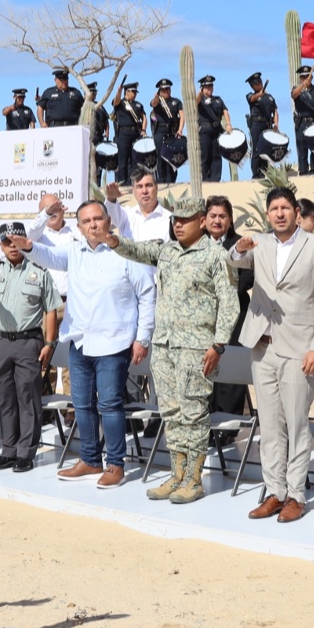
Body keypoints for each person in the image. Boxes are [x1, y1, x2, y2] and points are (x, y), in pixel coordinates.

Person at [106, 191, 240, 505]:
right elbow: (138, 250)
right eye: (175, 220)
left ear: (203, 222)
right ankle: (176, 474)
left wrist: (218, 344)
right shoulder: (167, 251)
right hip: (164, 347)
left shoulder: (215, 256)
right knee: (171, 412)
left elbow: (229, 303)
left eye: (185, 220)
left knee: (193, 413)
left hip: (196, 349)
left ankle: (194, 479)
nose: (178, 225)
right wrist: (114, 242)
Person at [12, 201, 155, 489]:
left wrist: (143, 338)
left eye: (98, 219)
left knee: (110, 404)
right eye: (87, 221)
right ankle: (90, 459)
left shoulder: (126, 252)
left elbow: (147, 295)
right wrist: (27, 246)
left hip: (114, 343)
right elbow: (44, 254)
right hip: (80, 341)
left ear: (108, 221)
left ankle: (115, 464)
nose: (93, 225)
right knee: (82, 404)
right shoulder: (74, 252)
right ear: (79, 227)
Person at [230, 188, 314, 522]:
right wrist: (238, 248)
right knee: (270, 425)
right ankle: (274, 492)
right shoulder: (259, 244)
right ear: (267, 213)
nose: (279, 213)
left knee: (297, 423)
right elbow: (232, 261)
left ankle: (296, 494)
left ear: (295, 212)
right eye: (274, 208)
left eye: (285, 208)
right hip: (262, 345)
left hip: (299, 346)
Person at [0, 223, 62, 474]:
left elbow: (51, 309)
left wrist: (49, 343)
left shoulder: (39, 272)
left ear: (24, 241)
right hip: (1, 342)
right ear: (1, 245)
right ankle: (8, 450)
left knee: (27, 397)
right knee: (2, 398)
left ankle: (26, 453)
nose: (12, 247)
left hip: (28, 342)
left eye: (16, 241)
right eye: (7, 242)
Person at [203, 195, 251, 445]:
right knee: (206, 369)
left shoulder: (239, 243)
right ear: (205, 219)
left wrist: (220, 289)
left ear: (230, 220)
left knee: (230, 370)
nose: (217, 220)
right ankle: (206, 423)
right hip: (202, 319)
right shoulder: (196, 244)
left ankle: (227, 429)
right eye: (213, 215)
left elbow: (247, 278)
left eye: (222, 216)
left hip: (234, 317)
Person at [104, 167, 172, 245]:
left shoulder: (169, 219)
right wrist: (111, 198)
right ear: (133, 191)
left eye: (148, 185)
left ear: (156, 188)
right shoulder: (126, 216)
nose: (144, 191)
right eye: (139, 186)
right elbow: (110, 214)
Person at [290, 65, 314, 175]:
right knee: (302, 148)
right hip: (302, 122)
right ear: (300, 78)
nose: (306, 79)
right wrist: (302, 85)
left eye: (308, 77)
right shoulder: (297, 89)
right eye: (303, 77)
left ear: (311, 77)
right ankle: (303, 171)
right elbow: (294, 95)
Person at [195, 75, 232, 183]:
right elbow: (194, 103)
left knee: (216, 155)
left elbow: (225, 111)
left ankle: (215, 178)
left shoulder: (218, 99)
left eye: (210, 86)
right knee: (205, 155)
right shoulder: (199, 99)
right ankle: (205, 178)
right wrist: (200, 93)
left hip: (216, 130)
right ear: (202, 88)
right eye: (206, 87)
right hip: (204, 130)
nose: (209, 89)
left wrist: (228, 123)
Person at [244, 72, 280, 180]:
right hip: (256, 124)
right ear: (252, 86)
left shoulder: (269, 97)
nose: (259, 84)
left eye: (260, 82)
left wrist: (276, 123)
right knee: (256, 149)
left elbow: (275, 111)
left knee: (266, 149)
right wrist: (260, 94)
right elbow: (252, 99)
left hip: (267, 124)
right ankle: (255, 173)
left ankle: (264, 171)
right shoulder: (251, 95)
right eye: (256, 83)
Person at [149, 78, 185, 184]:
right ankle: (161, 180)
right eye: (163, 90)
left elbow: (182, 116)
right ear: (160, 91)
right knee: (161, 156)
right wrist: (156, 97)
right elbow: (153, 104)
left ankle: (171, 179)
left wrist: (180, 129)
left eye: (168, 89)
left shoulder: (176, 102)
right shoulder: (158, 101)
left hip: (172, 131)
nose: (166, 92)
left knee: (171, 157)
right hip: (160, 131)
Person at [112, 82, 146, 184]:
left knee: (135, 160)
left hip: (135, 133)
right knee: (123, 159)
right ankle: (123, 182)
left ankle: (134, 182)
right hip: (123, 133)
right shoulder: (120, 103)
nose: (135, 94)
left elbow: (144, 117)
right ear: (127, 92)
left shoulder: (138, 105)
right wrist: (118, 91)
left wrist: (143, 129)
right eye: (133, 92)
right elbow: (115, 101)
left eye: (136, 92)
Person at [88, 81, 112, 186]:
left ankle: (97, 184)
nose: (94, 95)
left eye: (95, 93)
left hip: (99, 136)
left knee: (99, 162)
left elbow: (106, 122)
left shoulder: (100, 106)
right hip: (88, 136)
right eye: (92, 92)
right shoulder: (82, 106)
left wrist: (107, 133)